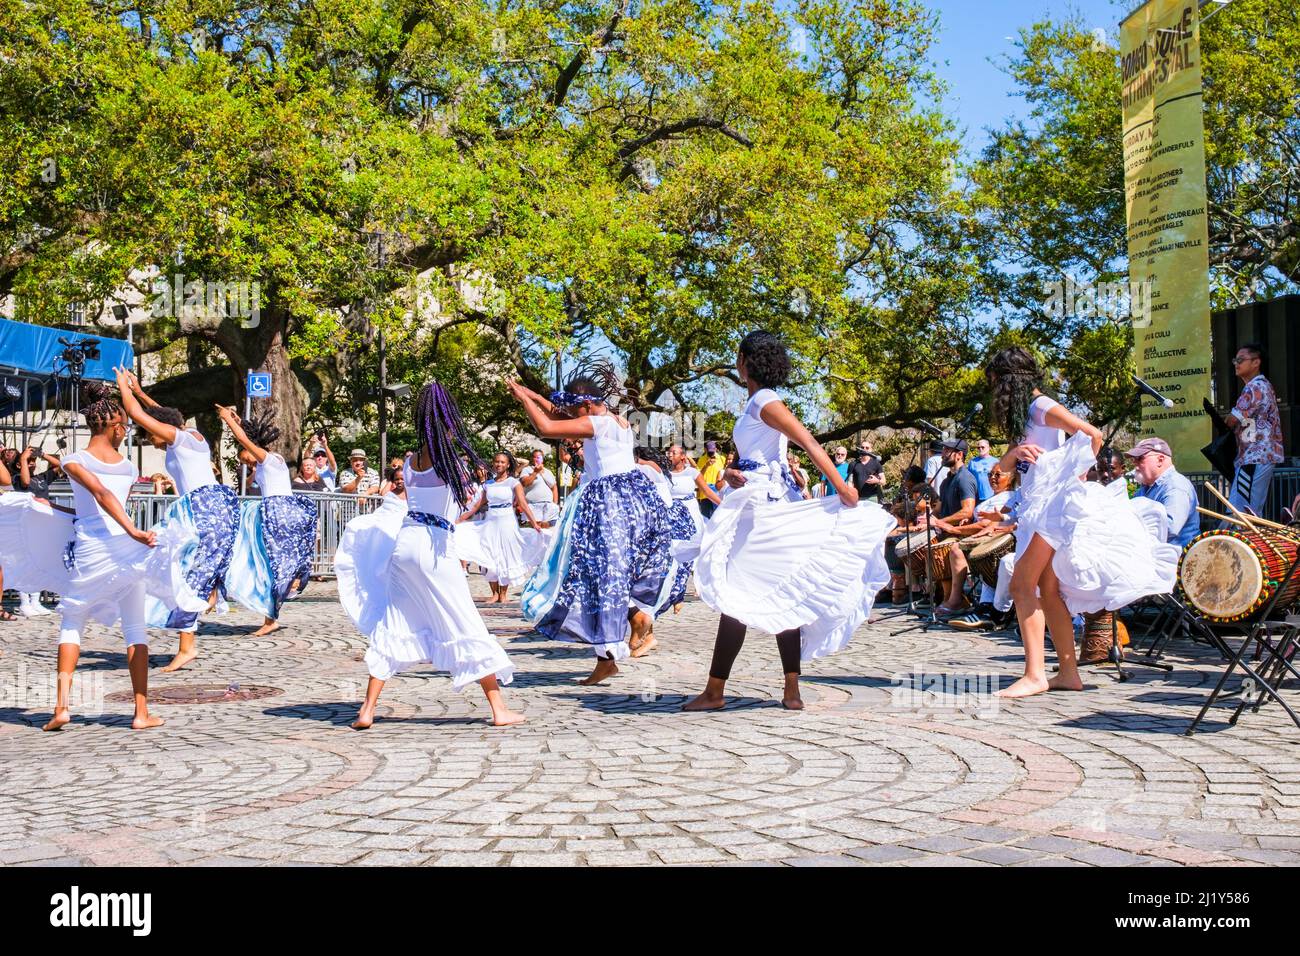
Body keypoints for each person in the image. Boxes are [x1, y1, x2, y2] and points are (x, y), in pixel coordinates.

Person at [680, 331, 894, 712]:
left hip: (765, 511)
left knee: (739, 591)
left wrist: (843, 489)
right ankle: (787, 690)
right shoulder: (755, 402)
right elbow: (757, 457)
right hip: (753, 504)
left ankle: (720, 691)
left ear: (747, 361)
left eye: (738, 355)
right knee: (778, 588)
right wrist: (730, 474)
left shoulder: (765, 400)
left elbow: (809, 443)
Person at [985, 347, 1178, 698]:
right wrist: (1015, 454)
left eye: (995, 379)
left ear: (1007, 379)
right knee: (1049, 591)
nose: (992, 385)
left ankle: (1035, 674)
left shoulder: (1039, 406)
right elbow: (1002, 469)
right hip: (1039, 507)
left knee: (1021, 586)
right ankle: (1069, 673)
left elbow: (1092, 435)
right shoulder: (1024, 416)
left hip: (1052, 508)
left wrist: (1065, 474)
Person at [335, 382, 524, 730]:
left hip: (405, 544)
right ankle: (499, 710)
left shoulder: (409, 462)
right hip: (435, 545)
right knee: (464, 619)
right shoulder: (448, 462)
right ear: (448, 422)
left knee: (395, 621)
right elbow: (465, 498)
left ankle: (366, 710)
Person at [0, 384, 163, 731]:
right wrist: (133, 532)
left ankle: (61, 708)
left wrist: (51, 509)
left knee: (72, 624)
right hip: (124, 549)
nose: (126, 431)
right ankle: (140, 712)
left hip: (89, 551)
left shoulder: (74, 460)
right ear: (115, 426)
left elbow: (90, 507)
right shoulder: (128, 468)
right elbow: (105, 495)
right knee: (135, 627)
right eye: (124, 426)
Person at [508, 364, 674, 684]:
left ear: (585, 405)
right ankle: (623, 634)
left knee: (598, 579)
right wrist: (531, 394)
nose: (568, 414)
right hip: (623, 505)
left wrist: (524, 399)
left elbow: (546, 426)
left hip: (606, 508)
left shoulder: (598, 425)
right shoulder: (619, 421)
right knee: (601, 577)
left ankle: (612, 650)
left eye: (573, 409)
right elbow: (558, 414)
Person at [114, 366, 240, 673]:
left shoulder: (177, 439)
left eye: (150, 434)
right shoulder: (192, 434)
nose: (151, 440)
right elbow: (163, 413)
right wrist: (142, 391)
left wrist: (124, 389)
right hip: (216, 506)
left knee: (184, 573)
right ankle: (202, 608)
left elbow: (141, 414)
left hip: (199, 509)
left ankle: (188, 643)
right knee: (187, 571)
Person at [218, 405, 320, 636]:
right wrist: (237, 419)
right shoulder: (268, 462)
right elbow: (246, 437)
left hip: (278, 512)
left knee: (272, 564)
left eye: (243, 455)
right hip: (278, 510)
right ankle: (271, 615)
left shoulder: (267, 459)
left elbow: (244, 439)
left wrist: (228, 421)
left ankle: (288, 588)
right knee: (270, 566)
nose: (243, 460)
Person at [457, 451, 544, 604]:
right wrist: (459, 520)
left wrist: (534, 523)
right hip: (491, 522)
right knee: (490, 555)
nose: (499, 464)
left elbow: (523, 504)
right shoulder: (488, 484)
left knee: (505, 556)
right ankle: (494, 593)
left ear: (508, 464)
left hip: (507, 522)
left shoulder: (513, 483)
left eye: (503, 462)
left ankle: (503, 594)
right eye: (497, 461)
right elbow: (476, 505)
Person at [1224, 343, 1284, 518]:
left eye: (1241, 359)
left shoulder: (1254, 387)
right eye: (1235, 360)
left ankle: (1245, 544)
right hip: (1258, 455)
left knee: (1241, 512)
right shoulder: (1264, 385)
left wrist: (1225, 420)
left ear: (1256, 362)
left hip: (1254, 456)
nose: (1236, 363)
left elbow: (1232, 420)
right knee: (1247, 509)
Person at [924, 439, 981, 616]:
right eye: (943, 450)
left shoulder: (964, 478)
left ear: (959, 455)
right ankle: (947, 596)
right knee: (928, 546)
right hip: (946, 532)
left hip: (962, 533)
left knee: (945, 549)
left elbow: (967, 511)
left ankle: (956, 600)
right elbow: (939, 507)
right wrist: (929, 517)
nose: (943, 454)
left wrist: (943, 522)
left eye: (947, 451)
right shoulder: (946, 481)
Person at [1127, 437, 1200, 548]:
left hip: (1178, 561)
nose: (1135, 464)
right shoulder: (1145, 489)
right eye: (1134, 460)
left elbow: (1169, 528)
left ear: (1160, 460)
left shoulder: (1176, 486)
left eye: (1140, 458)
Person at [519, 450, 560, 525]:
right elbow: (525, 483)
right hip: (533, 505)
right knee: (534, 531)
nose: (537, 459)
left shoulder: (548, 472)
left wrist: (555, 504)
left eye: (539, 457)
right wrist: (535, 472)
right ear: (532, 458)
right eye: (535, 457)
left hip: (548, 505)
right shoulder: (527, 470)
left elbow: (554, 487)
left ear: (542, 458)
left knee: (547, 530)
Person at [696, 441, 727, 518]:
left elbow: (724, 474)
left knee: (719, 519)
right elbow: (697, 476)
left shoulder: (722, 459)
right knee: (707, 520)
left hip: (719, 495)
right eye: (709, 451)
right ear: (705, 449)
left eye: (713, 451)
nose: (711, 453)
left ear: (716, 449)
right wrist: (706, 466)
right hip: (705, 494)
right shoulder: (701, 459)